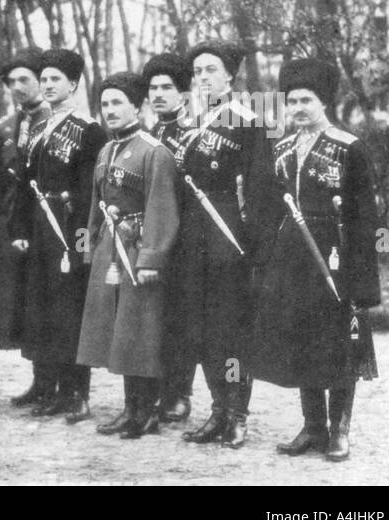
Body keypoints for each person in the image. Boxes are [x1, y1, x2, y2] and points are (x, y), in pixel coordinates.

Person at [250, 58, 380, 461]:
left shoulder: (349, 148)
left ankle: (340, 429)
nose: (298, 108)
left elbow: (366, 218)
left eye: (307, 99)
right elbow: (270, 211)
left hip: (335, 257)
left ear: (324, 101)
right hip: (292, 259)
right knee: (301, 338)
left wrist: (363, 280)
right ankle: (313, 427)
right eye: (291, 101)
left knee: (339, 342)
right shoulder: (283, 148)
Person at [172, 40, 277, 449]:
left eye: (211, 70)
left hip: (230, 237)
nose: (202, 78)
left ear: (230, 75)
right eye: (197, 71)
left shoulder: (247, 120)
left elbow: (261, 188)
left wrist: (255, 247)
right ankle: (217, 409)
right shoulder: (193, 120)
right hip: (193, 238)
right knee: (202, 331)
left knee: (230, 332)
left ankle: (237, 414)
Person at [76, 72, 180, 439]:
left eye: (118, 102)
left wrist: (151, 258)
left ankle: (149, 412)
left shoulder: (155, 152)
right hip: (109, 249)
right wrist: (88, 246)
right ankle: (130, 408)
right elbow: (95, 204)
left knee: (141, 332)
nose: (110, 110)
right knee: (119, 332)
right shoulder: (105, 151)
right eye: (105, 104)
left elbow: (161, 208)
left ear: (138, 106)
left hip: (137, 250)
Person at [8, 48, 106, 423]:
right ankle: (47, 387)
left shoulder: (89, 130)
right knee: (42, 309)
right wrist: (19, 229)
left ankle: (77, 394)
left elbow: (90, 194)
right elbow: (25, 183)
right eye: (44, 79)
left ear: (74, 84)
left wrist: (82, 245)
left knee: (70, 313)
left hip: (69, 234)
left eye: (55, 80)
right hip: (39, 231)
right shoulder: (38, 128)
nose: (48, 85)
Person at [0, 48, 51, 403]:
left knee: (48, 303)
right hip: (14, 231)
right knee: (24, 306)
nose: (17, 87)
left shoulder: (57, 122)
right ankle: (39, 383)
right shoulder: (6, 128)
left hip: (49, 226)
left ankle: (58, 382)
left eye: (24, 79)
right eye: (11, 82)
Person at [142, 52, 197, 422]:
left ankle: (179, 392)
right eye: (153, 88)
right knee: (150, 314)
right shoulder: (145, 135)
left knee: (180, 315)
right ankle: (153, 389)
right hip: (149, 234)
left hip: (186, 236)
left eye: (167, 88)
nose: (159, 94)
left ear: (184, 94)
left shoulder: (194, 135)